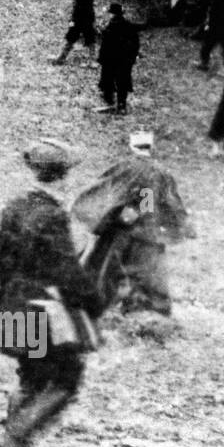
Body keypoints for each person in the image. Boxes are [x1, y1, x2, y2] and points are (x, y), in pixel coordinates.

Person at [0, 139, 106, 447]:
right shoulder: (53, 215)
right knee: (67, 378)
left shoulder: (14, 206)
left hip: (12, 301)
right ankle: (16, 438)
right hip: (39, 309)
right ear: (64, 176)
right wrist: (93, 302)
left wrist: (13, 290)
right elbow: (66, 271)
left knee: (29, 376)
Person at [72, 132, 194, 316]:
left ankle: (96, 307)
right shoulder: (162, 172)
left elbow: (105, 191)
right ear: (150, 148)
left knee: (105, 271)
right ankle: (145, 312)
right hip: (150, 235)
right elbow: (172, 203)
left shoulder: (125, 167)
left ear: (132, 146)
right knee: (148, 277)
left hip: (123, 233)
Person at [96, 2, 139, 115]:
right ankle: (121, 105)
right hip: (125, 60)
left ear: (113, 14)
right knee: (122, 82)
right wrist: (132, 57)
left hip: (111, 60)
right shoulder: (128, 25)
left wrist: (101, 58)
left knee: (108, 80)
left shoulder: (111, 26)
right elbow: (135, 43)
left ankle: (110, 103)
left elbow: (106, 43)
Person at [51, 0, 97, 65]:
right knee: (90, 39)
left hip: (80, 17)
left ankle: (61, 58)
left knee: (71, 37)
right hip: (88, 16)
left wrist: (72, 19)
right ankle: (92, 60)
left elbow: (78, 6)